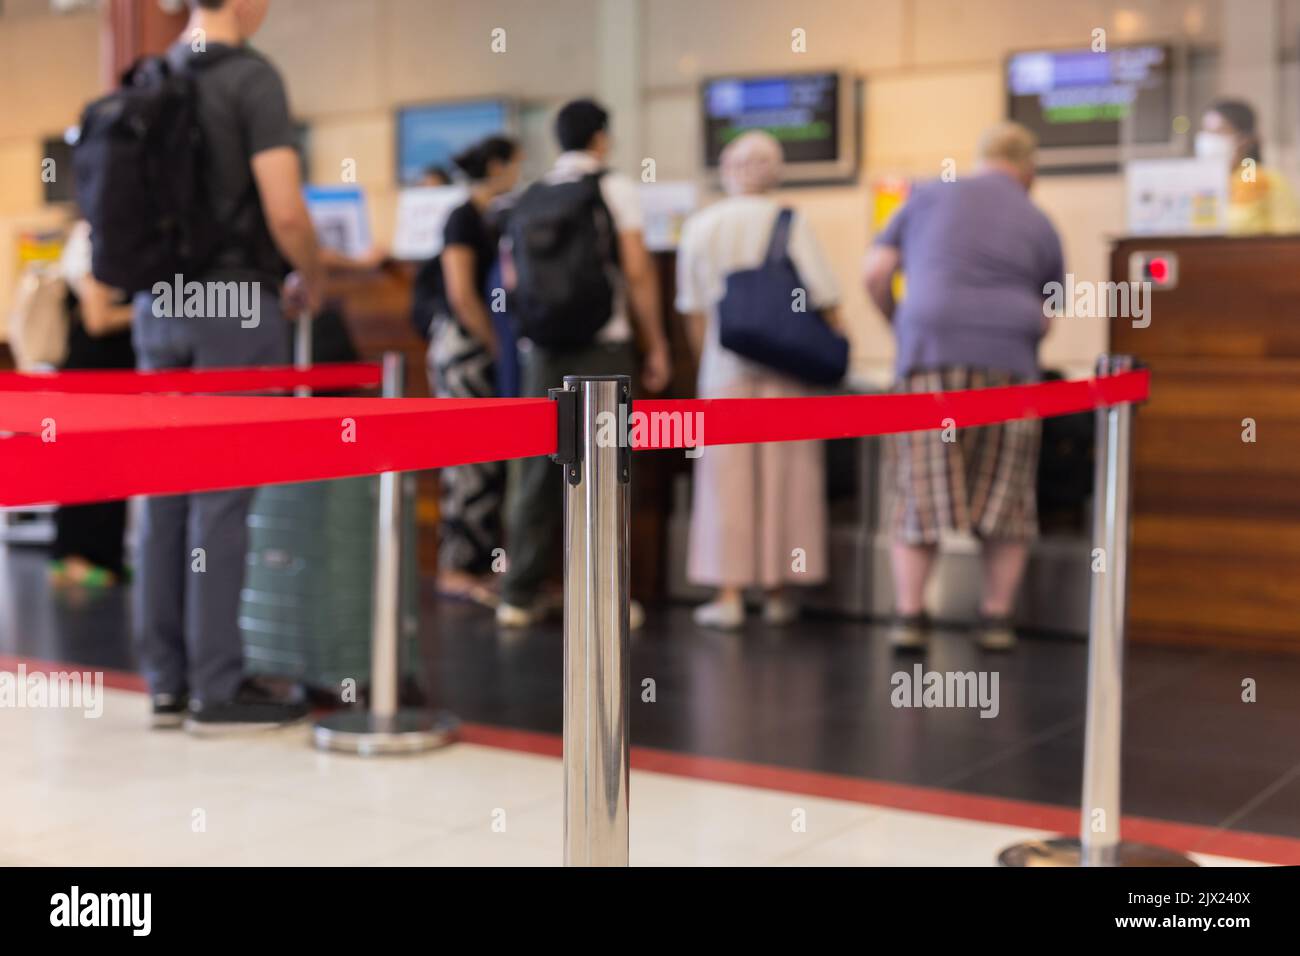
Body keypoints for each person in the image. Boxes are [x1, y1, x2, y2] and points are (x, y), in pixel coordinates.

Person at [133, 0, 323, 732]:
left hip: (160, 303)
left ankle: (166, 683)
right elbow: (285, 213)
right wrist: (314, 277)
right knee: (219, 498)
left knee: (163, 494)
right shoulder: (251, 78)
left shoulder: (152, 76)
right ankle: (217, 688)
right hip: (235, 302)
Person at [861, 121, 1063, 652]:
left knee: (918, 489)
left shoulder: (929, 194)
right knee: (1006, 496)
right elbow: (1048, 315)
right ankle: (995, 619)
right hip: (1011, 366)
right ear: (1029, 172)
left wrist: (901, 324)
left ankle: (909, 616)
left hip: (929, 357)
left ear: (978, 159)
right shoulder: (1038, 219)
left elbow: (875, 272)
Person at [495, 98, 672, 628]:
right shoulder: (615, 189)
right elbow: (637, 271)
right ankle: (605, 597)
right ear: (602, 138)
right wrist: (656, 341)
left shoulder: (528, 196)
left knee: (535, 468)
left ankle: (517, 594)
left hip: (541, 348)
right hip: (605, 342)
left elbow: (510, 281)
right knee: (607, 468)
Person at [676, 131, 841, 629]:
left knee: (724, 482)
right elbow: (825, 297)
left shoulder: (702, 226)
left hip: (723, 371)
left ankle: (727, 594)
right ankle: (776, 590)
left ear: (726, 168)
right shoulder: (790, 222)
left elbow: (694, 310)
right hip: (786, 370)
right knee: (784, 479)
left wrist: (708, 357)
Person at [428, 136, 522, 606]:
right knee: (466, 460)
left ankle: (480, 565)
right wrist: (496, 345)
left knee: (486, 462)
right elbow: (461, 294)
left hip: (482, 346)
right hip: (466, 349)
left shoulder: (494, 216)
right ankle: (455, 569)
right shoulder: (463, 217)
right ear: (498, 165)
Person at [48, 219, 135, 589]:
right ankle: (71, 558)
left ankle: (106, 556)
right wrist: (152, 311)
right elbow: (97, 320)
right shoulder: (89, 238)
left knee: (116, 467)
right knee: (84, 466)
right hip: (89, 375)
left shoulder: (130, 238)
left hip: (119, 377)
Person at [1197, 99, 1300, 235]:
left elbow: (1289, 236)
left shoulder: (1264, 178)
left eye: (1220, 131)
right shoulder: (1203, 183)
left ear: (1244, 139)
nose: (1209, 139)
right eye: (1207, 131)